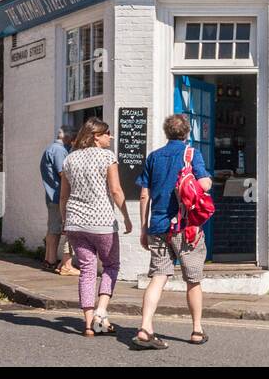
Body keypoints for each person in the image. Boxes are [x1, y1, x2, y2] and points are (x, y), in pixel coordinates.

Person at [134, 114, 212, 350]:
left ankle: (145, 327)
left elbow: (144, 194)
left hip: (157, 226)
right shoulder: (191, 154)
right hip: (185, 227)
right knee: (193, 279)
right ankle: (197, 329)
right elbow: (205, 184)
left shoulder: (154, 157)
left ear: (166, 132)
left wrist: (144, 227)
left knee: (158, 277)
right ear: (187, 133)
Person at [59, 118, 132, 337]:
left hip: (75, 223)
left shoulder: (70, 159)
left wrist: (65, 222)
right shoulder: (107, 157)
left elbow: (63, 196)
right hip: (101, 223)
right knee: (111, 265)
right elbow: (116, 190)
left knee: (87, 271)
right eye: (107, 133)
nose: (110, 137)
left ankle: (90, 325)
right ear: (96, 136)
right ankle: (101, 310)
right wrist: (127, 217)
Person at [39, 127, 78, 275]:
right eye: (73, 137)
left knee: (52, 229)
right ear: (67, 138)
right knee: (57, 230)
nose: (74, 140)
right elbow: (63, 173)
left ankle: (49, 260)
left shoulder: (50, 148)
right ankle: (53, 261)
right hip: (58, 196)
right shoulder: (59, 150)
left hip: (51, 195)